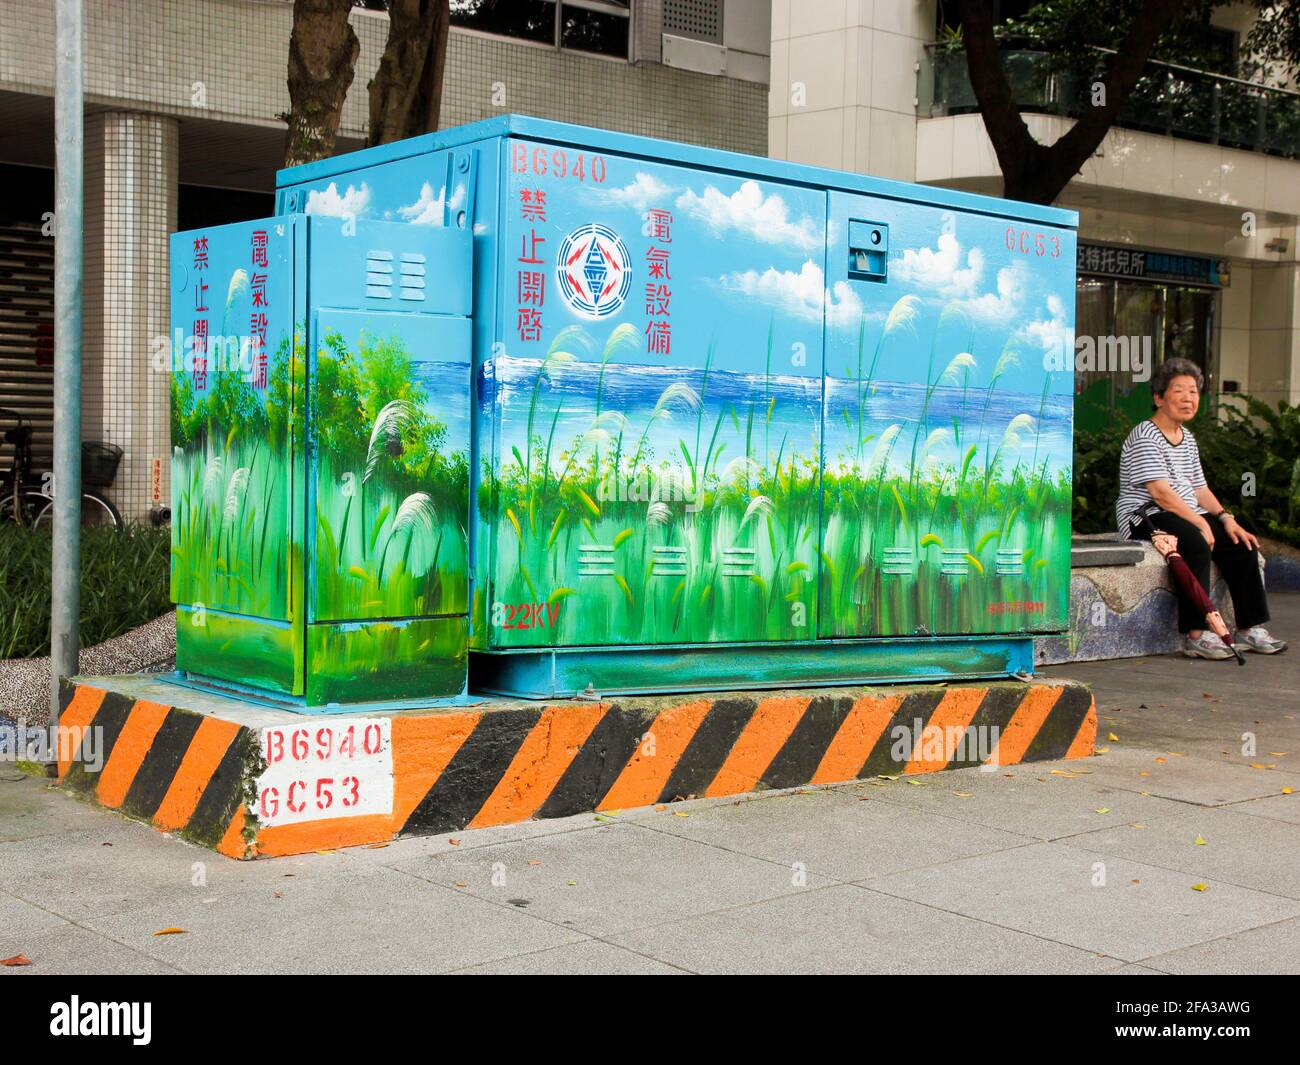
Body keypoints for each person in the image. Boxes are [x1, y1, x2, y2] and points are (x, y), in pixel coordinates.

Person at [1115, 357, 1286, 660]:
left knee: (1238, 541)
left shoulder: (1187, 438)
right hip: (1144, 515)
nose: (1188, 398)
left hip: (1180, 512)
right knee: (1193, 541)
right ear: (1158, 397)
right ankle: (1196, 634)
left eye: (1193, 391)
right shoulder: (1145, 435)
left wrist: (1225, 518)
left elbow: (1200, 489)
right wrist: (1200, 522)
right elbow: (1160, 493)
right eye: (1179, 391)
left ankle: (1249, 628)